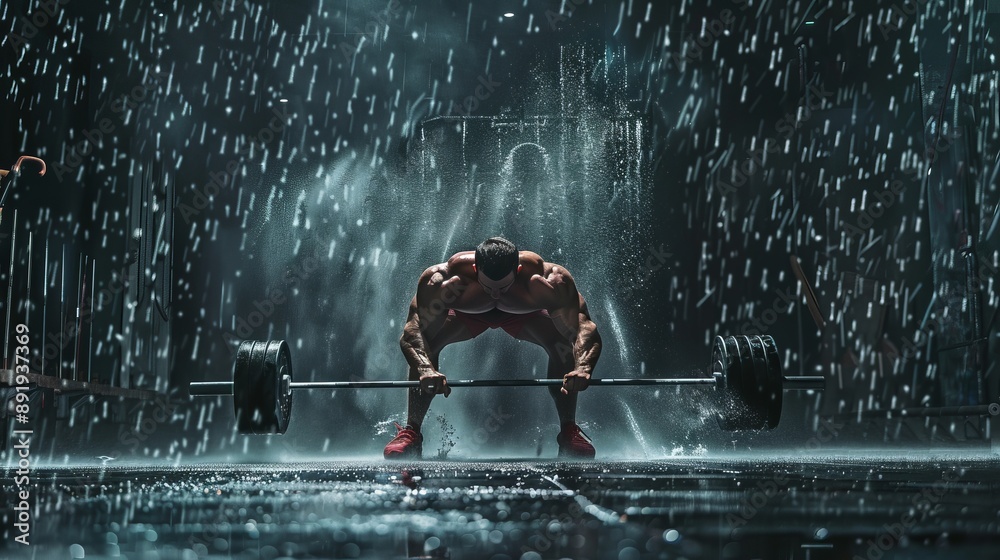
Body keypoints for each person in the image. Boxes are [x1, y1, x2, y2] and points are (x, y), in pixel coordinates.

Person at [385, 236, 602, 459]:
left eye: (504, 287)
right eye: (488, 287)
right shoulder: (442, 281)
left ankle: (569, 431)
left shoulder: (550, 281)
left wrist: (583, 368)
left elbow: (584, 329)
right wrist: (425, 369)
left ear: (518, 270)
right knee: (427, 344)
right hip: (466, 316)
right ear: (475, 268)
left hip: (524, 315)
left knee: (563, 344)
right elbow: (412, 333)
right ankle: (411, 432)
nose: (496, 294)